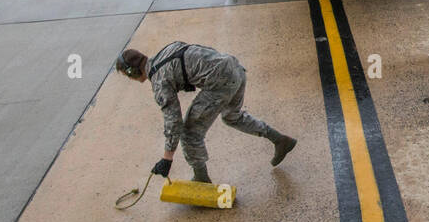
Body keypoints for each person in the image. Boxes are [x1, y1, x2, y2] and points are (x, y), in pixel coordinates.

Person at [115, 42, 297, 184]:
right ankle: (280, 140)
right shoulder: (166, 50)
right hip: (234, 68)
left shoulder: (159, 81)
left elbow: (173, 121)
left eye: (127, 75)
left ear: (132, 71)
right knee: (231, 116)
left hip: (220, 81)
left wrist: (167, 157)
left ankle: (201, 178)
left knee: (189, 133)